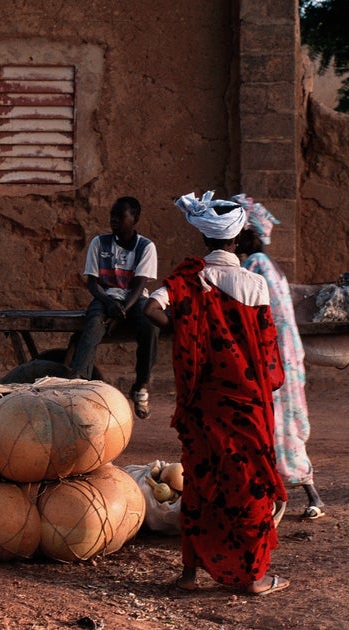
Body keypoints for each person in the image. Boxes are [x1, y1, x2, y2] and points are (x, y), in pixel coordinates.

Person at [143, 191, 289, 596]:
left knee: (201, 482)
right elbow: (268, 352)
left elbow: (151, 310)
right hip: (246, 404)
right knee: (249, 483)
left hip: (202, 402)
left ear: (205, 240)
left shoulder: (187, 280)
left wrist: (185, 328)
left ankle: (190, 575)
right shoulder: (254, 284)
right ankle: (255, 576)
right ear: (238, 238)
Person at [234, 194, 326, 521]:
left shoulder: (253, 267)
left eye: (241, 232)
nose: (236, 239)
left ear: (253, 235)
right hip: (285, 357)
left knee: (273, 427)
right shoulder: (270, 267)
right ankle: (305, 493)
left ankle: (280, 498)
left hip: (272, 360)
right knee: (282, 426)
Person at [69, 196, 159, 418]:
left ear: (135, 218)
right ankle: (78, 381)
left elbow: (139, 286)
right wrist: (109, 303)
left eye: (120, 216)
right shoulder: (99, 243)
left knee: (150, 327)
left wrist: (122, 312)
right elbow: (92, 282)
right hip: (105, 297)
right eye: (112, 215)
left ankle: (141, 385)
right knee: (93, 326)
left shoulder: (146, 247)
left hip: (134, 300)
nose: (114, 220)